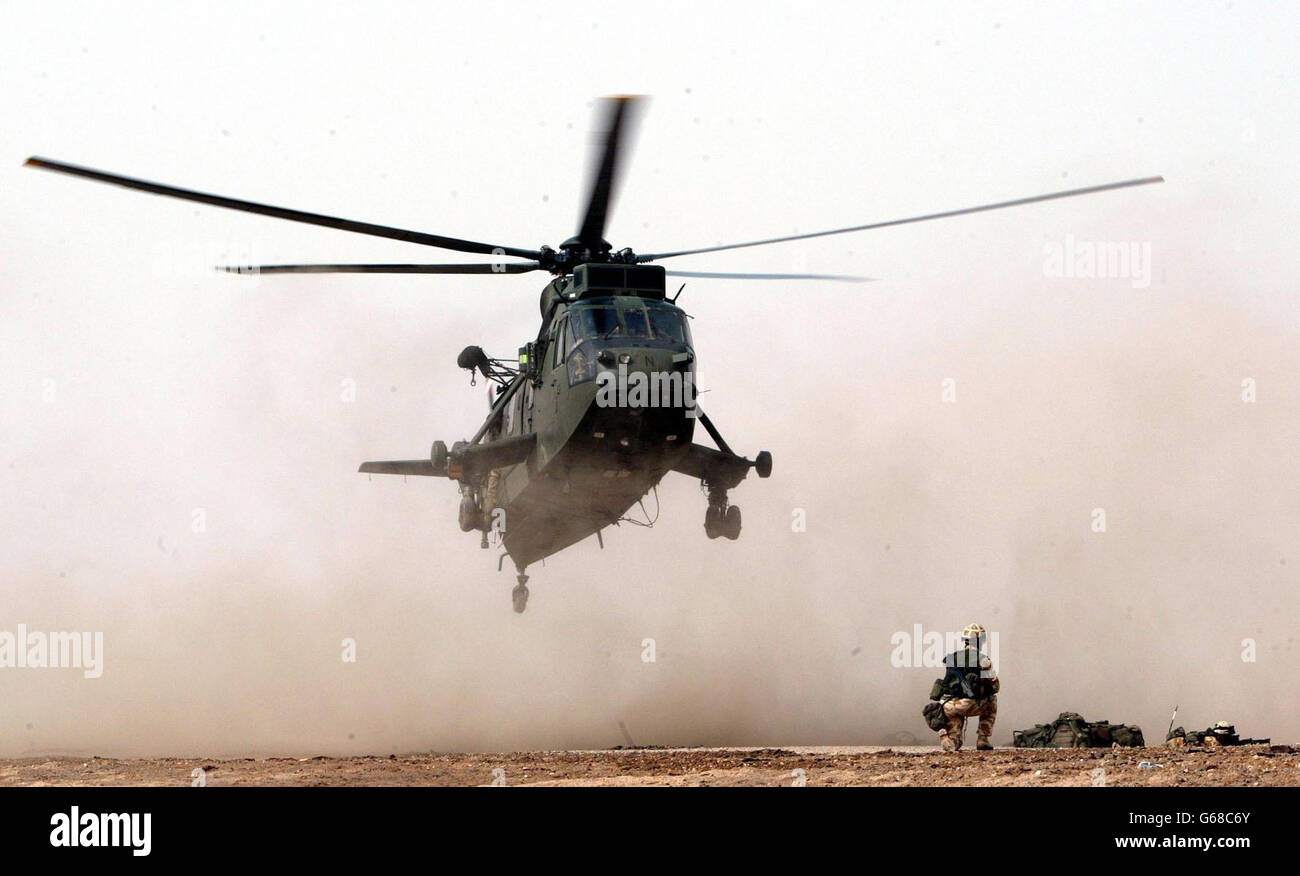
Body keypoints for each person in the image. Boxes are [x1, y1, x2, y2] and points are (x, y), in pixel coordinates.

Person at [930, 623, 999, 751]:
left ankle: (947, 738)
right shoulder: (983, 660)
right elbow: (995, 686)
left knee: (956, 743)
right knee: (992, 699)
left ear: (965, 640)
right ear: (981, 641)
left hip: (948, 705)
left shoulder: (952, 658)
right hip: (968, 703)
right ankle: (983, 739)